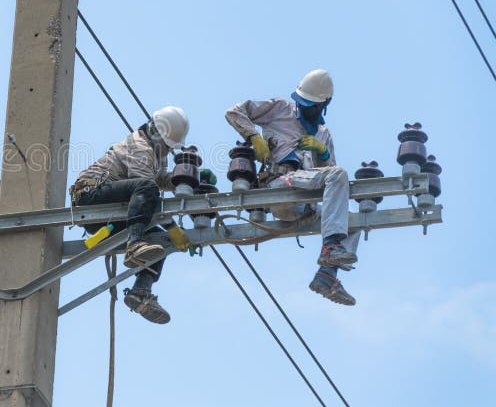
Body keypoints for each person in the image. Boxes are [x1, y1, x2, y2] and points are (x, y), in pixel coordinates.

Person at [225, 69, 359, 306]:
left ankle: (327, 277)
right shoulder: (279, 109)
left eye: (311, 105)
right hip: (281, 186)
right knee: (338, 176)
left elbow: (334, 184)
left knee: (352, 222)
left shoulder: (323, 134)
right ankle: (330, 248)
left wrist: (323, 152)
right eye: (303, 103)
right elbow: (234, 112)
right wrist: (254, 137)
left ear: (324, 104)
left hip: (304, 204)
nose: (305, 108)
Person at [70, 106, 209, 324]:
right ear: (155, 132)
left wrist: (184, 179)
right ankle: (134, 244)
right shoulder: (140, 148)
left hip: (113, 214)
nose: (166, 151)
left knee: (159, 241)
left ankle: (140, 293)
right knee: (147, 191)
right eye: (166, 145)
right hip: (91, 196)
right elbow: (148, 190)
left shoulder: (155, 153)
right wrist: (174, 227)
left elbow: (159, 181)